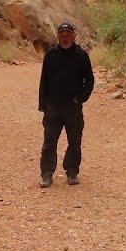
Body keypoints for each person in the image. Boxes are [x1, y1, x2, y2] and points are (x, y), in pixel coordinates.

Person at [38, 22, 95, 188]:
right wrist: (42, 104)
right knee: (49, 141)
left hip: (73, 107)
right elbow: (44, 80)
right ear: (58, 36)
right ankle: (46, 174)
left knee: (74, 141)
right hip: (53, 106)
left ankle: (72, 172)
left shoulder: (81, 55)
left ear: (74, 36)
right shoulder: (50, 54)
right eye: (62, 33)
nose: (65, 36)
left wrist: (81, 98)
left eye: (68, 33)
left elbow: (89, 80)